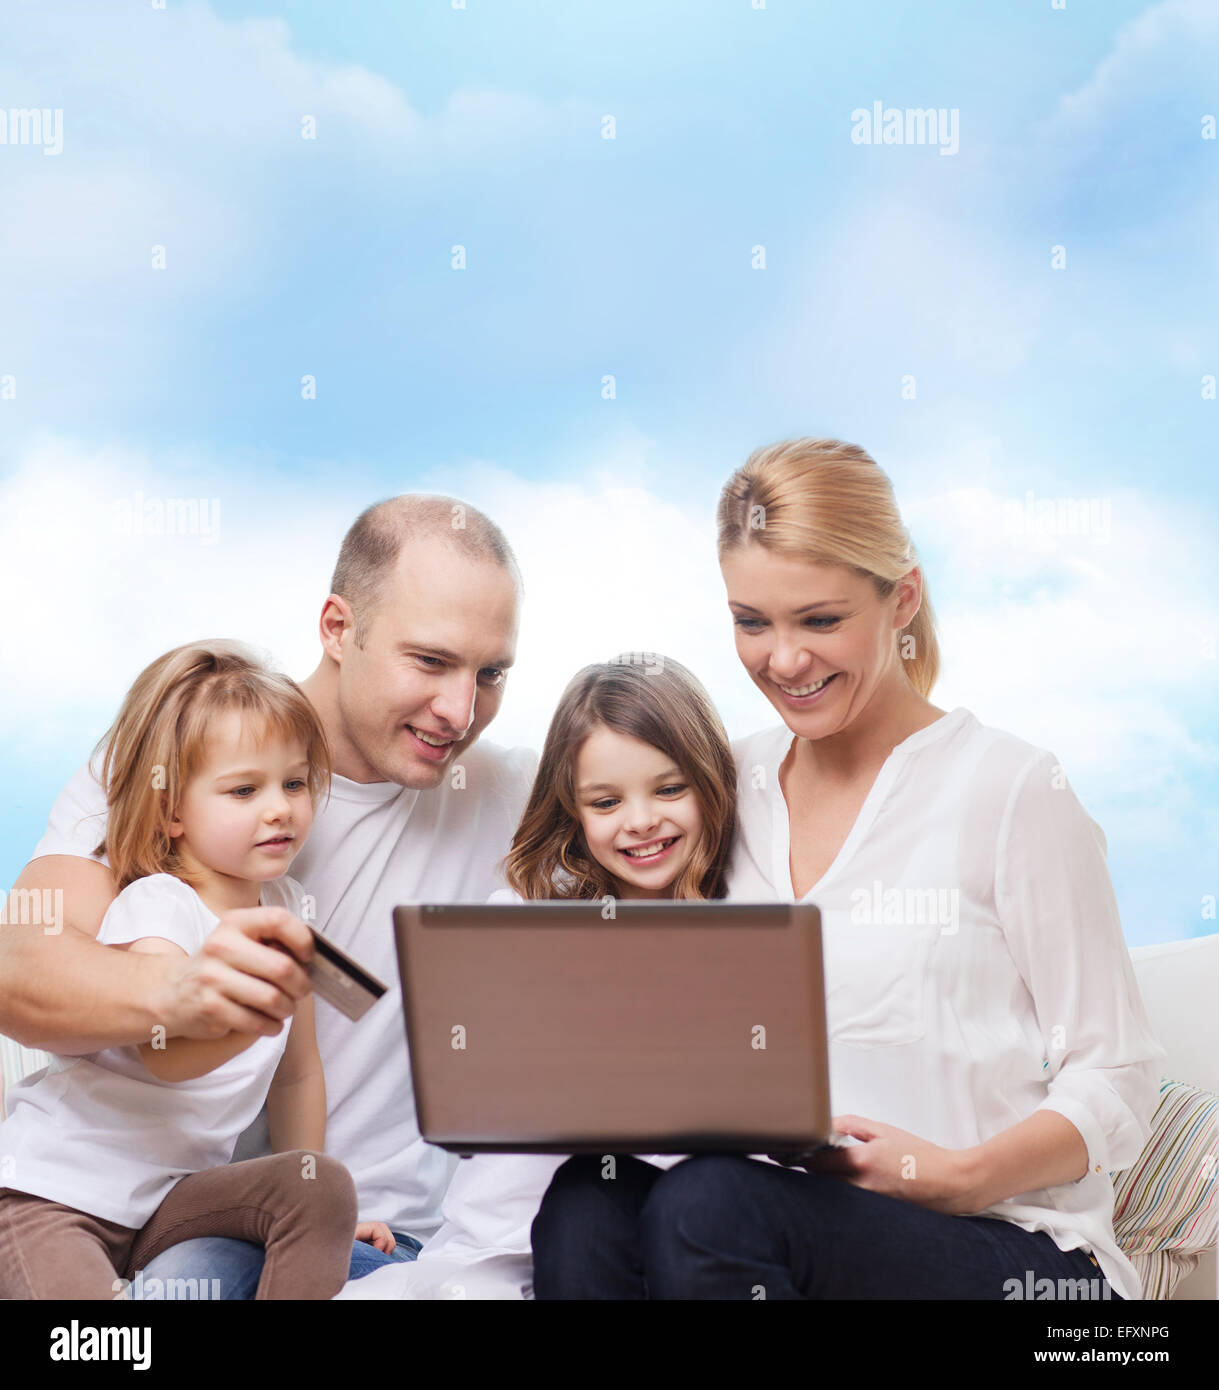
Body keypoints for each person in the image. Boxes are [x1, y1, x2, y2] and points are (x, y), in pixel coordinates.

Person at [529, 436, 1166, 1300]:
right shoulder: (726, 785)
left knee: (707, 1204)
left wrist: (964, 1174)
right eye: (751, 622)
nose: (782, 661)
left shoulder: (1011, 788)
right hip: (789, 1224)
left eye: (819, 620)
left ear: (901, 599)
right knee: (586, 1198)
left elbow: (1117, 1075)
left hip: (1016, 1250)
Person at [0, 497, 538, 1296]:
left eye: (490, 673)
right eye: (429, 661)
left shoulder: (525, 795)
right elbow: (22, 967)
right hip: (177, 1222)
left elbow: (298, 1073)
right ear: (336, 627)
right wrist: (189, 995)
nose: (460, 713)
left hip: (391, 1238)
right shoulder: (179, 755)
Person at [336, 653, 739, 1299]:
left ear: (710, 784)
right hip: (486, 1254)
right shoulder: (521, 923)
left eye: (668, 789)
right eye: (605, 801)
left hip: (627, 1253)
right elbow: (469, 1093)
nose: (639, 821)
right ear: (573, 812)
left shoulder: (742, 937)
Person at [0, 640, 367, 1299]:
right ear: (172, 811)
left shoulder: (288, 911)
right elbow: (166, 1053)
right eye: (244, 789)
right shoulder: (160, 903)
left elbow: (298, 1074)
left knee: (321, 1186)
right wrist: (252, 1007)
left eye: (294, 782)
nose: (279, 807)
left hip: (164, 1202)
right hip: (54, 1196)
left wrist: (312, 1176)